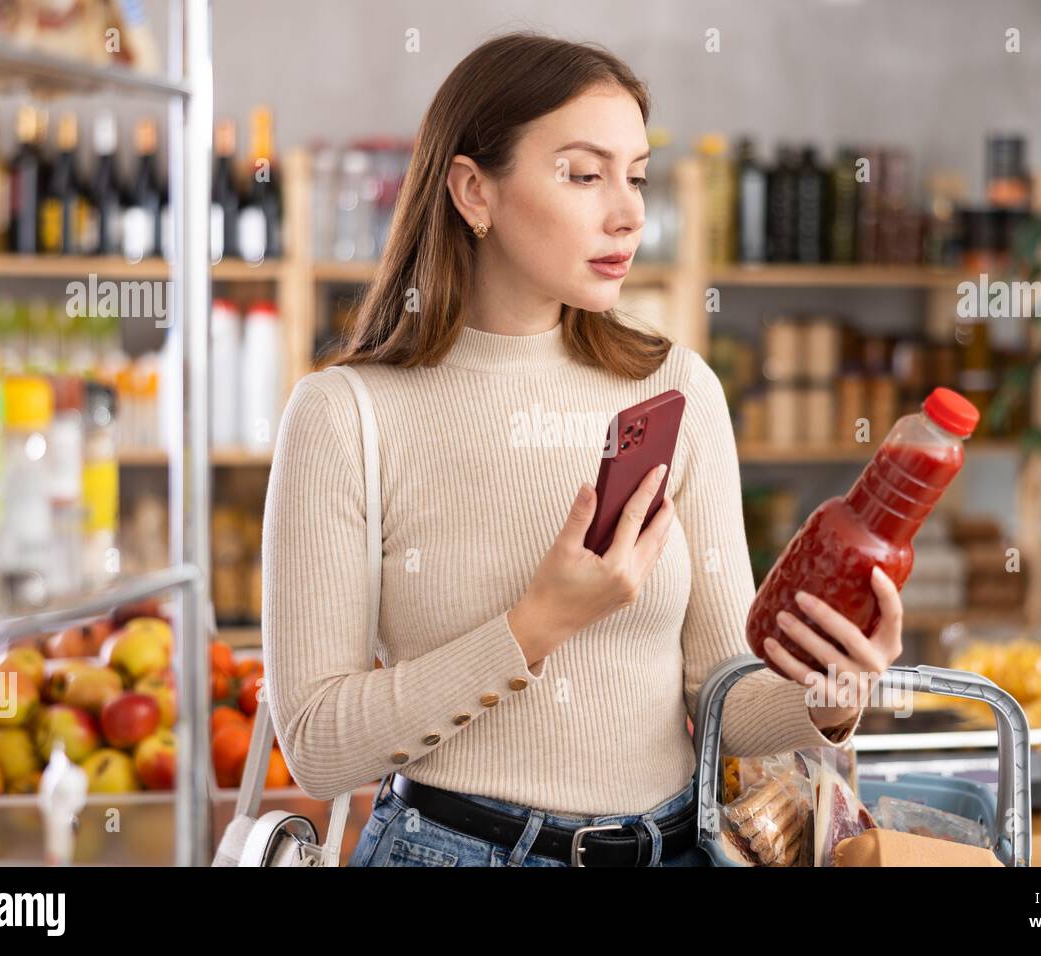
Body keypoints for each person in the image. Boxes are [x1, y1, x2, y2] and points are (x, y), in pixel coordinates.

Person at [260, 31, 903, 868]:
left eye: (635, 175)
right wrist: (537, 624)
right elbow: (315, 745)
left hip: (672, 849)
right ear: (472, 192)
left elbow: (722, 691)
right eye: (584, 174)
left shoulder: (678, 388)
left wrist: (831, 695)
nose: (629, 211)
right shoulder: (344, 415)